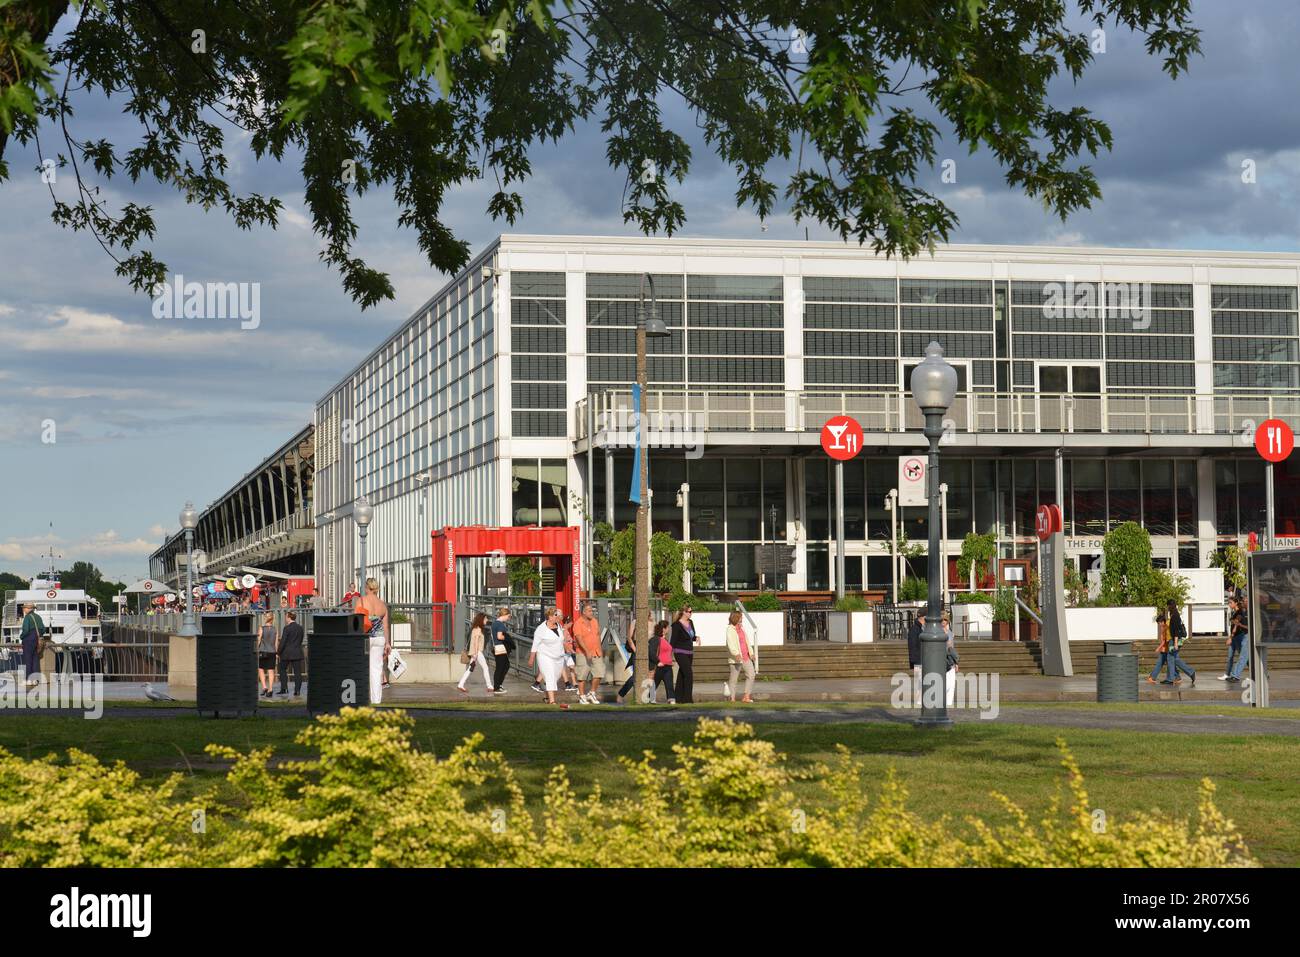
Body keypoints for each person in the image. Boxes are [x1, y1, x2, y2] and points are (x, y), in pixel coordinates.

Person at [353, 578, 390, 704]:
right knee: (376, 670)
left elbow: (356, 621)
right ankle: (376, 700)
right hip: (379, 639)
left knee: (362, 667)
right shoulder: (382, 604)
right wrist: (388, 643)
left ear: (366, 587)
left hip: (365, 637)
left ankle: (361, 697)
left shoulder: (361, 601)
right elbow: (386, 626)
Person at [527, 606, 569, 707]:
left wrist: (567, 645)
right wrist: (531, 659)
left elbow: (561, 640)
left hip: (558, 657)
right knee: (550, 677)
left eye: (557, 615)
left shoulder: (558, 625)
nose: (557, 617)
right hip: (545, 656)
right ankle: (552, 701)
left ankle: (547, 697)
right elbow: (535, 645)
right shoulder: (541, 629)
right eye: (555, 615)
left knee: (556, 677)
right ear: (549, 616)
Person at [571, 602, 605, 704]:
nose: (592, 612)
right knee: (582, 675)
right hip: (582, 653)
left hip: (596, 652)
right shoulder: (578, 623)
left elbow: (598, 636)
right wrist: (587, 651)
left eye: (592, 610)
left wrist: (600, 650)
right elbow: (579, 639)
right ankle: (582, 696)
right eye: (590, 611)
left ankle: (591, 693)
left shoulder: (594, 621)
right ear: (584, 612)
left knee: (599, 673)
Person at [457, 612, 494, 696]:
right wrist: (476, 654)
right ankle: (489, 686)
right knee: (485, 667)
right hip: (477, 652)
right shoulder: (478, 629)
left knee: (470, 668)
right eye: (485, 619)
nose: (487, 620)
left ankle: (461, 684)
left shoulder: (474, 628)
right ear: (481, 619)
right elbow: (476, 641)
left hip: (474, 651)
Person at [724, 609, 755, 703]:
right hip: (736, 658)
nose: (742, 618)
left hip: (745, 657)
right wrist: (736, 654)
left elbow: (747, 642)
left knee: (751, 675)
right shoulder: (730, 629)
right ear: (736, 618)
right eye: (741, 617)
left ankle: (746, 696)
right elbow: (730, 643)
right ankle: (732, 698)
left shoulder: (741, 628)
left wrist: (751, 653)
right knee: (734, 679)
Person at [670, 606, 699, 703]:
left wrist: (696, 638)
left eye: (691, 611)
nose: (691, 613)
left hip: (689, 652)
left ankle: (678, 698)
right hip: (680, 652)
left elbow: (691, 636)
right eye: (689, 611)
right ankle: (688, 699)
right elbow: (673, 641)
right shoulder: (676, 625)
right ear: (684, 612)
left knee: (682, 674)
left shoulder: (691, 622)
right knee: (688, 674)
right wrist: (670, 655)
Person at [1165, 600, 1195, 686]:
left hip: (1174, 640)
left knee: (1172, 658)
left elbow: (1176, 631)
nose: (1167, 607)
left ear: (1170, 606)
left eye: (1168, 606)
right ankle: (1174, 677)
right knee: (1173, 659)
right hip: (1173, 639)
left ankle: (1173, 678)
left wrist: (1175, 643)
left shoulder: (1175, 616)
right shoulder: (1174, 614)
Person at [18, 601, 47, 686]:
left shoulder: (27, 617)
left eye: (25, 608)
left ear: (29, 609)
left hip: (28, 639)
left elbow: (26, 630)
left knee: (28, 660)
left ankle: (28, 680)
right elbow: (43, 629)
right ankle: (35, 680)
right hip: (37, 640)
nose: (24, 609)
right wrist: (38, 635)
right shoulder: (38, 617)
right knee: (35, 660)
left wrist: (21, 637)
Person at [277, 610, 306, 696]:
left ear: (289, 617)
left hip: (287, 653)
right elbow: (300, 639)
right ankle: (297, 690)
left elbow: (283, 641)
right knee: (298, 672)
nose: (286, 618)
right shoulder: (300, 628)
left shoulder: (287, 628)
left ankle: (284, 688)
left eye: (286, 617)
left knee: (282, 669)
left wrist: (278, 652)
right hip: (297, 652)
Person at [1223, 596, 1250, 682]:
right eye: (1243, 601)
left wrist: (1231, 637)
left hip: (1244, 636)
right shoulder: (1243, 611)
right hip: (1242, 636)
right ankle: (1261, 673)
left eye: (1246, 601)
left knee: (1243, 657)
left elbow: (1238, 625)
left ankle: (1235, 675)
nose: (1244, 602)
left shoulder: (1241, 612)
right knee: (1245, 657)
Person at [649, 619, 675, 704]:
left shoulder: (665, 640)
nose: (668, 629)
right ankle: (650, 699)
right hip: (659, 666)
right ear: (663, 628)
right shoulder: (656, 639)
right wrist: (657, 662)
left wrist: (672, 661)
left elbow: (667, 652)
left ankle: (671, 700)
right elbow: (651, 651)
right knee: (654, 684)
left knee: (669, 685)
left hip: (668, 666)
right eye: (667, 627)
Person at [490, 607, 513, 695]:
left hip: (496, 647)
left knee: (505, 666)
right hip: (500, 648)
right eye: (509, 616)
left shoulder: (494, 623)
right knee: (501, 667)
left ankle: (498, 685)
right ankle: (497, 687)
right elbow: (499, 636)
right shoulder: (500, 625)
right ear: (505, 615)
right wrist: (507, 637)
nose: (509, 618)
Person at [614, 622, 637, 705]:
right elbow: (629, 638)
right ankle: (621, 694)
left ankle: (648, 697)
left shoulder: (651, 621)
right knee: (635, 676)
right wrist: (635, 650)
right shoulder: (634, 622)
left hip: (649, 650)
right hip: (637, 650)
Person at [257, 613, 278, 698]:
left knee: (261, 669)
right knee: (271, 670)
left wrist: (256, 649)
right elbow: (276, 642)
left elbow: (258, 640)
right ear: (272, 619)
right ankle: (270, 689)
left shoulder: (261, 628)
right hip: (272, 652)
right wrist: (276, 652)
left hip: (263, 651)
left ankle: (264, 686)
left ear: (265, 619)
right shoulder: (275, 629)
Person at [1147, 612, 1171, 685]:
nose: (1159, 624)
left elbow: (1164, 641)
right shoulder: (1163, 628)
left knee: (1163, 664)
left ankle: (1152, 677)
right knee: (1169, 664)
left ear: (1163, 622)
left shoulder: (1166, 628)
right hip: (1165, 649)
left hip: (1165, 649)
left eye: (1159, 623)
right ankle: (1177, 677)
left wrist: (1158, 648)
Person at [906, 612, 925, 701]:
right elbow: (913, 646)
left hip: (920, 660)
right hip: (918, 660)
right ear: (923, 617)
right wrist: (915, 662)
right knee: (919, 682)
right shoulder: (915, 629)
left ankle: (921, 701)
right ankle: (919, 701)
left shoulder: (919, 628)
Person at [943, 612, 959, 707]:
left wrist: (956, 662)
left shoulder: (949, 632)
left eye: (945, 620)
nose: (943, 622)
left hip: (950, 659)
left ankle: (949, 701)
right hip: (942, 658)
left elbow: (952, 647)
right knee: (945, 683)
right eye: (942, 620)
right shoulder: (939, 632)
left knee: (951, 683)